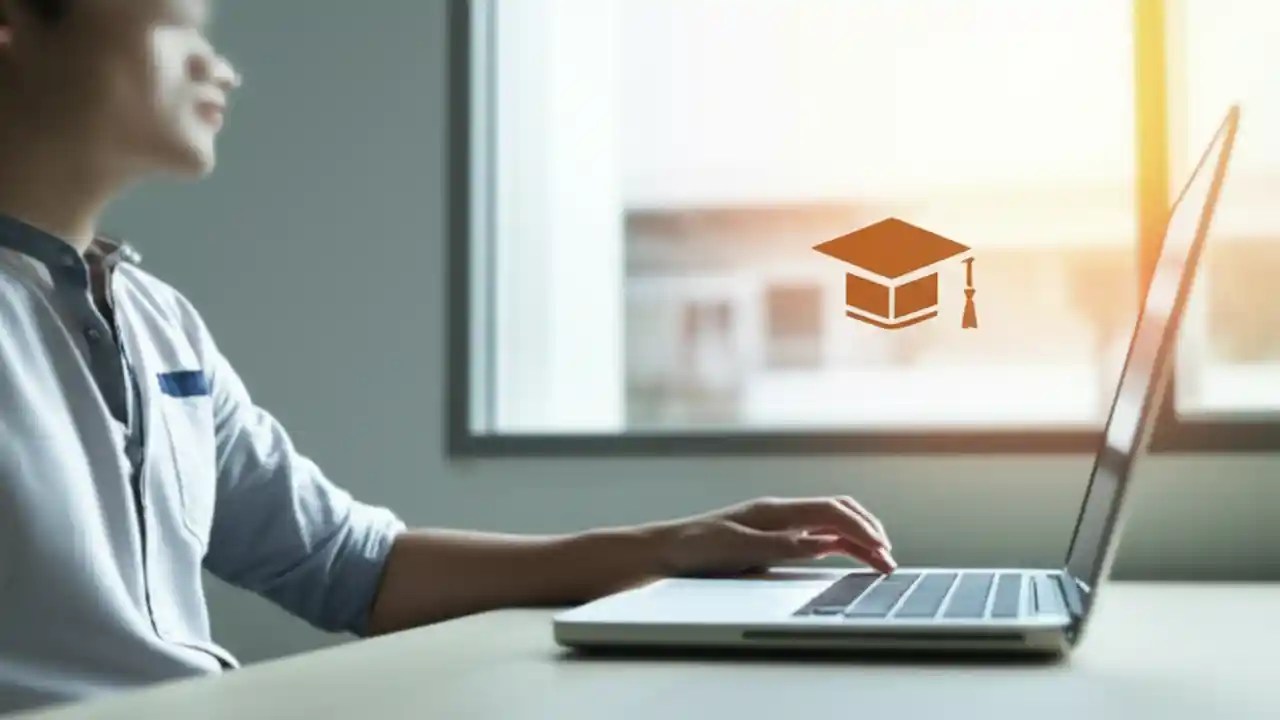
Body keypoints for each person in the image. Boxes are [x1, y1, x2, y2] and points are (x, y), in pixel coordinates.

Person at [0, 0, 897, 712]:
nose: (221, 65)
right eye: (179, 24)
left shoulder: (158, 322)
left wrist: (671, 547)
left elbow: (351, 566)